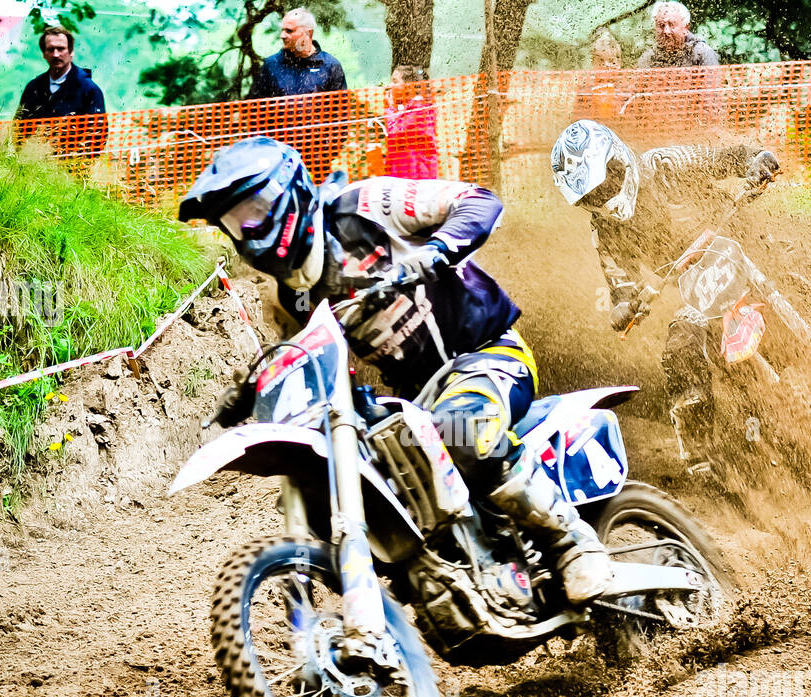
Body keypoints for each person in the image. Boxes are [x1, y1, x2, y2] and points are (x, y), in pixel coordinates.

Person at [178, 138, 613, 604]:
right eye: (234, 221)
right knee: (377, 468)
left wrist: (437, 250)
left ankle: (572, 542)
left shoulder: (366, 207)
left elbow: (479, 200)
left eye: (254, 209)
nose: (247, 227)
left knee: (462, 432)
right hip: (415, 399)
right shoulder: (288, 295)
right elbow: (299, 353)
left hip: (486, 355)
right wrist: (248, 389)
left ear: (287, 192)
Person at [550, 119, 778, 473]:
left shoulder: (662, 165)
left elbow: (722, 157)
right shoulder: (607, 231)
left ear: (618, 162)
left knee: (797, 269)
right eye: (590, 196)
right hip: (699, 290)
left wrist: (755, 159)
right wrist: (625, 308)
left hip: (743, 241)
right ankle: (703, 459)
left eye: (604, 185)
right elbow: (620, 287)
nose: (602, 197)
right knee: (680, 346)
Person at [244, 9, 349, 184]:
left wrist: (325, 154)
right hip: (277, 159)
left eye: (289, 31)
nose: (282, 36)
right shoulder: (271, 65)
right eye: (282, 30)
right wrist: (264, 151)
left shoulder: (330, 66)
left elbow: (341, 117)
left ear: (308, 33)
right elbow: (253, 112)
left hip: (317, 162)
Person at [14, 26, 108, 160]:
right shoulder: (33, 88)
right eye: (51, 49)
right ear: (44, 54)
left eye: (61, 49)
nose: (56, 54)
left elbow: (98, 135)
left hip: (74, 170)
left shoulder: (89, 90)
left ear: (71, 52)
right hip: (34, 167)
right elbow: (19, 128)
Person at [384, 66, 438, 179]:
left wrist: (389, 109)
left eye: (395, 81)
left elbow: (394, 133)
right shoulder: (410, 107)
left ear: (408, 86)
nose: (390, 86)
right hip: (406, 174)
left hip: (415, 176)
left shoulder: (418, 108)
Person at [636, 2, 719, 69]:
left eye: (672, 25)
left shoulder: (702, 53)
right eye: (661, 25)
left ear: (686, 28)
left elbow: (715, 88)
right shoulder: (648, 58)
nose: (666, 31)